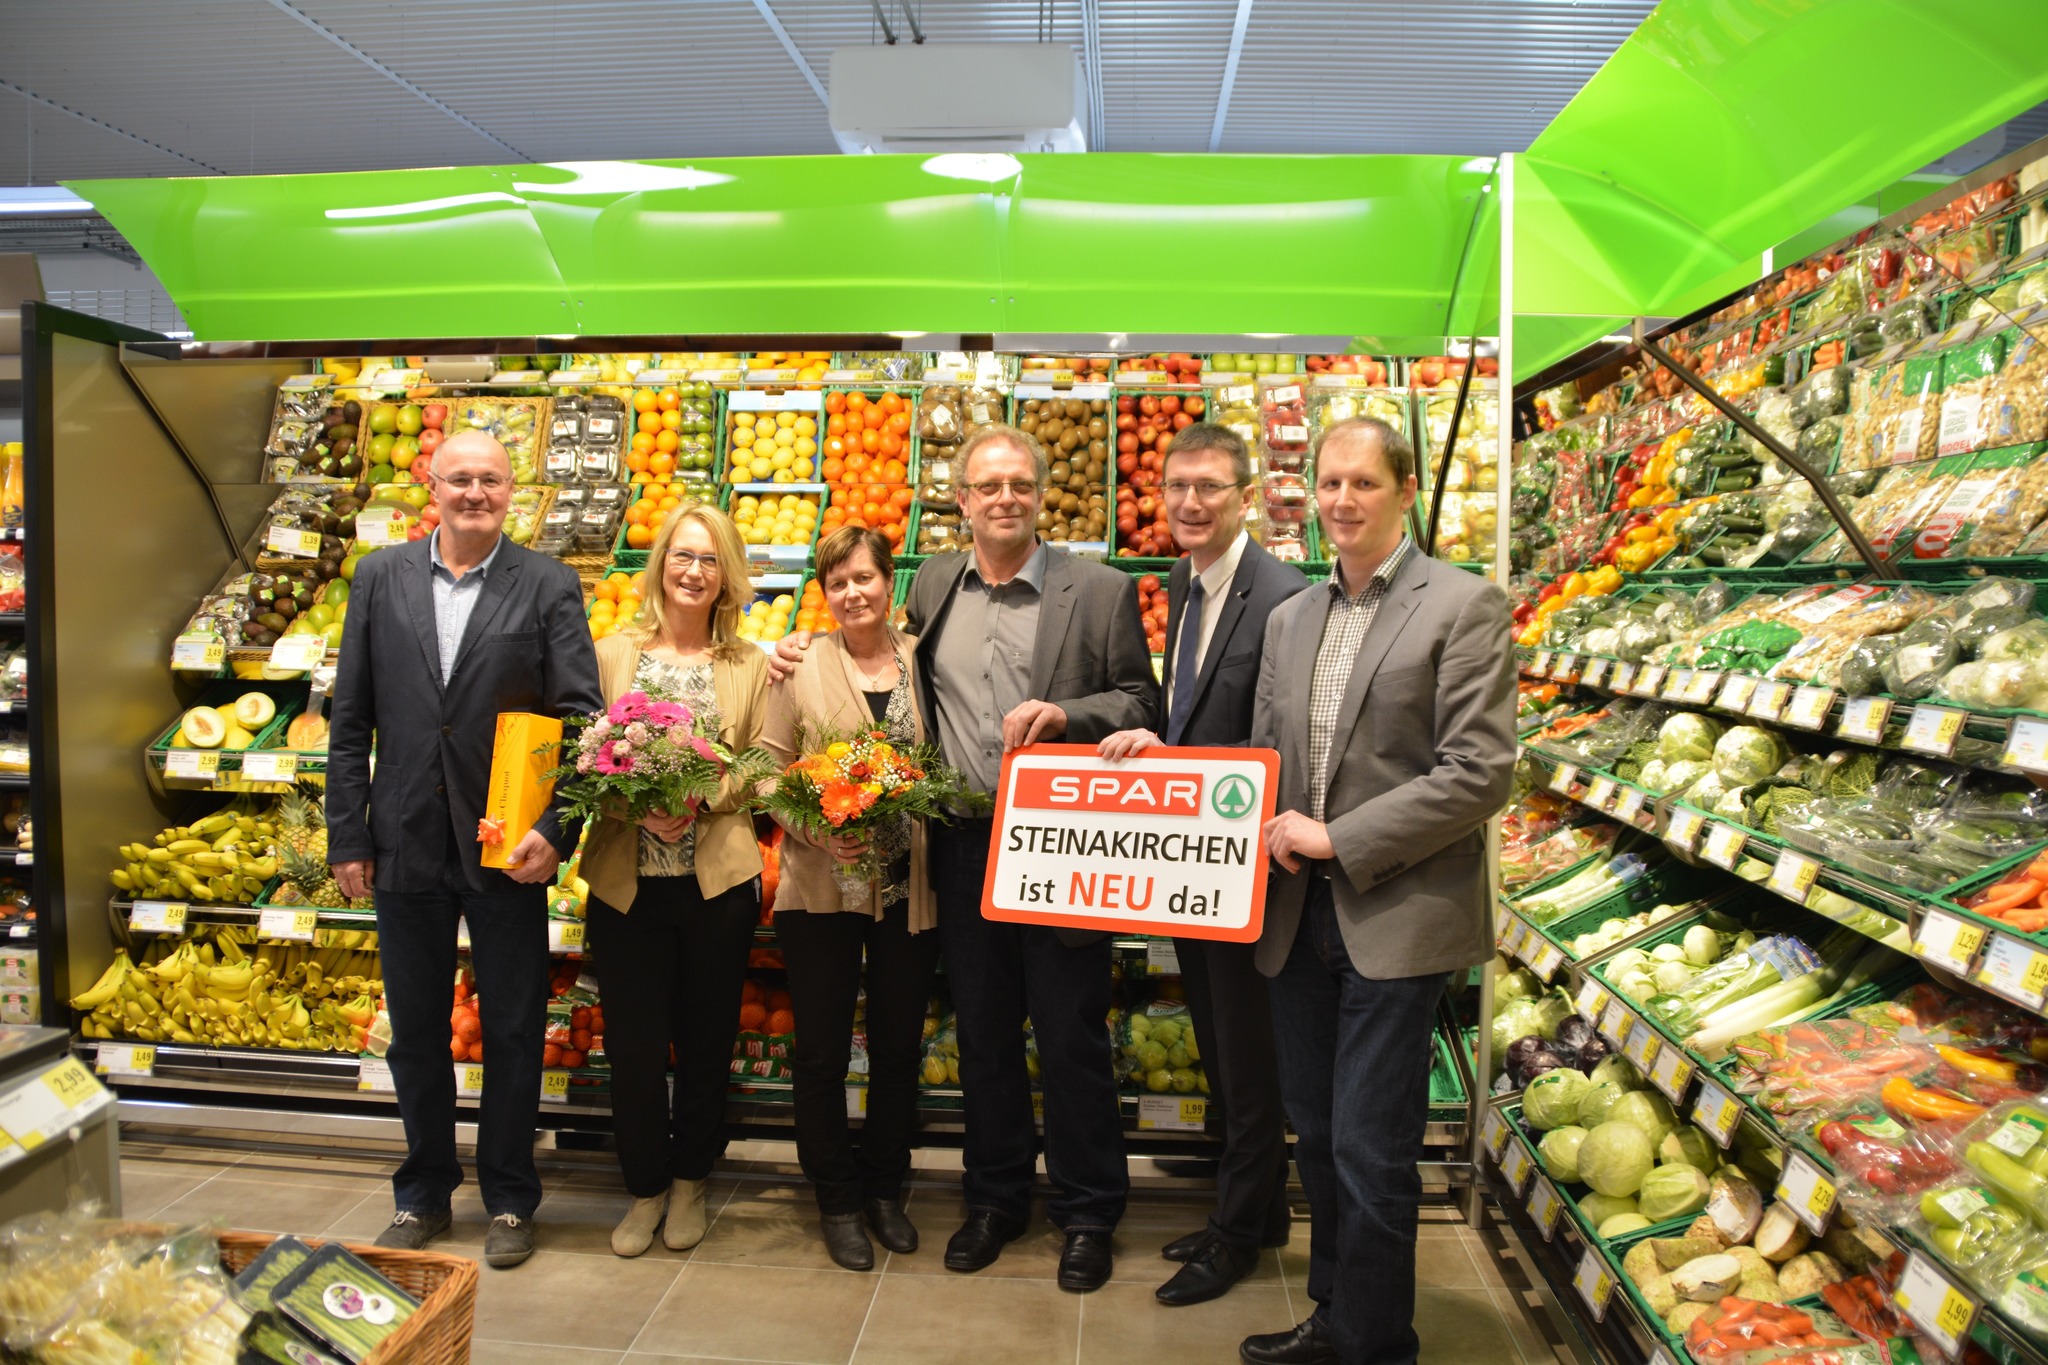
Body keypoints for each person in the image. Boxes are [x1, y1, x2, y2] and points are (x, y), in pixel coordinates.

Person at [774, 423, 1157, 1292]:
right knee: (983, 1033)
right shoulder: (937, 581)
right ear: (962, 500)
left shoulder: (1098, 589)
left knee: (1069, 1031)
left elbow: (1143, 699)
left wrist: (1069, 716)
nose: (1005, 498)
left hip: (1062, 841)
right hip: (961, 843)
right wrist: (794, 646)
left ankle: (1088, 1211)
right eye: (988, 486)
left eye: (1020, 483)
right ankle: (995, 1198)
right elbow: (876, 664)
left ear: (1041, 492)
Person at [1239, 417, 1515, 1365]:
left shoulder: (1464, 604)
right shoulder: (1291, 619)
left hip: (1397, 916)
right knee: (1319, 1134)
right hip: (1296, 915)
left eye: (1363, 482)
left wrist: (1339, 837)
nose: (1343, 500)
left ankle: (1376, 1343)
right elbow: (1267, 757)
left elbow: (1479, 772)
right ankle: (1338, 1314)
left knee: (1369, 1145)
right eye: (1329, 483)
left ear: (1405, 489)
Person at [327, 429, 604, 1269]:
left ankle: (511, 1197)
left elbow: (583, 719)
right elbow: (351, 719)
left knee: (515, 1026)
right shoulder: (380, 577)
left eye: (490, 479)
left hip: (506, 843)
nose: (474, 492)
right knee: (415, 1030)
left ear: (511, 490)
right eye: (460, 478)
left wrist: (555, 830)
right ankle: (422, 1192)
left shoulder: (548, 583)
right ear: (432, 485)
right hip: (404, 836)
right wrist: (348, 832)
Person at [1096, 422, 1307, 1306]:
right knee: (1220, 1047)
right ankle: (1258, 1210)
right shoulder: (1185, 580)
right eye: (1176, 485)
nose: (1189, 502)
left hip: (1251, 867)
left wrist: (1188, 766)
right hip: (1197, 862)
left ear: (1246, 497)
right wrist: (1154, 742)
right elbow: (1187, 709)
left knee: (1248, 1060)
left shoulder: (1286, 596)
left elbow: (1284, 741)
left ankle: (1236, 1235)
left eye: (1210, 487)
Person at [580, 503, 768, 1258]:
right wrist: (634, 804)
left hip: (715, 885)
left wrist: (701, 797)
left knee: (705, 1038)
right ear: (660, 564)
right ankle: (644, 1187)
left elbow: (763, 762)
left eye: (711, 559)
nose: (694, 571)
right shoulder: (611, 653)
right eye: (683, 555)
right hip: (626, 884)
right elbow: (582, 754)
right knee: (632, 1046)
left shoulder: (750, 663)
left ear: (728, 576)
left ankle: (691, 1178)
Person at [758, 525, 939, 1271]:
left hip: (910, 889)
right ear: (824, 592)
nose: (853, 593)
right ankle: (835, 1196)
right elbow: (766, 771)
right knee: (823, 1051)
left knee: (897, 1046)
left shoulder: (927, 660)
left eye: (865, 578)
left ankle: (885, 1189)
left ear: (891, 582)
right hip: (819, 889)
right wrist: (816, 829)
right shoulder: (798, 665)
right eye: (838, 583)